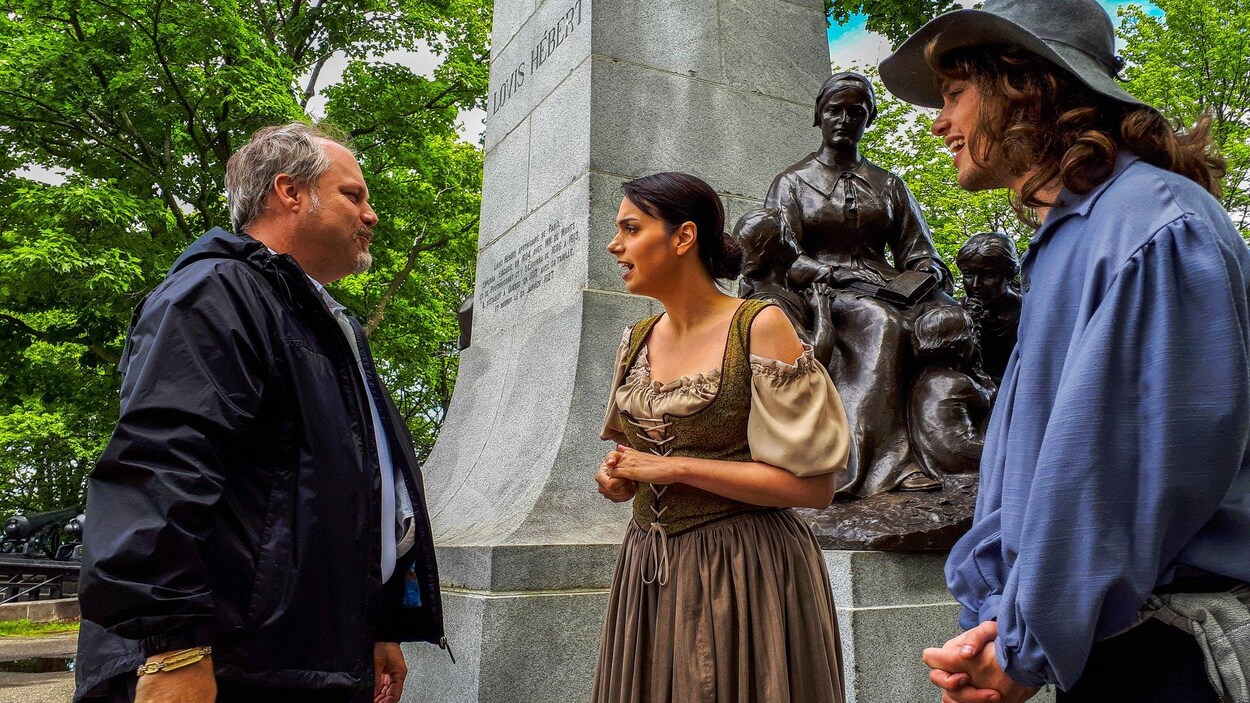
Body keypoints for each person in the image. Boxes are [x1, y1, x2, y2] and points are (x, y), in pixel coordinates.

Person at [878, 0, 1250, 701]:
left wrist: (1025, 646)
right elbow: (1029, 463)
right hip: (1111, 648)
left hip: (1173, 651)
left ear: (1024, 86)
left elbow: (1121, 475)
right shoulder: (1070, 239)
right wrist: (1000, 619)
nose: (939, 121)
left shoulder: (1153, 226)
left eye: (954, 93)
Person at [74, 123, 447, 703]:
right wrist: (172, 650)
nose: (371, 215)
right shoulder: (216, 292)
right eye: (353, 195)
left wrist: (380, 625)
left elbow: (345, 495)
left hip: (313, 658)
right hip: (234, 667)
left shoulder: (328, 324)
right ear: (289, 192)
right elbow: (159, 469)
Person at [594, 172, 849, 702]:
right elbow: (637, 454)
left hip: (746, 571)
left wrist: (676, 468)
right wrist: (620, 477)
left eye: (631, 229)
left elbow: (814, 488)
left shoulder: (760, 325)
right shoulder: (636, 339)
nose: (615, 245)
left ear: (683, 237)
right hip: (648, 570)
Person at [766, 71, 955, 496]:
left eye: (857, 112)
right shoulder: (792, 183)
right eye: (835, 110)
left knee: (950, 318)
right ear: (818, 115)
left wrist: (927, 271)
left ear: (869, 118)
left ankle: (955, 451)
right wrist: (830, 274)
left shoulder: (889, 185)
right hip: (824, 292)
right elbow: (780, 253)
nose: (845, 120)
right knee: (881, 322)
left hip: (890, 285)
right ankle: (884, 466)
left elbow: (918, 249)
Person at [908, 306, 994, 476]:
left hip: (937, 454)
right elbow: (988, 398)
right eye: (972, 335)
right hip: (965, 453)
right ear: (960, 346)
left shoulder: (922, 380)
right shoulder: (958, 381)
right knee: (1000, 409)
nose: (975, 342)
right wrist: (985, 379)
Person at [955, 232, 1022, 385]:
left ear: (1009, 274)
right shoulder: (958, 311)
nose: (975, 284)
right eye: (968, 274)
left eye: (988, 274)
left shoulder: (1026, 312)